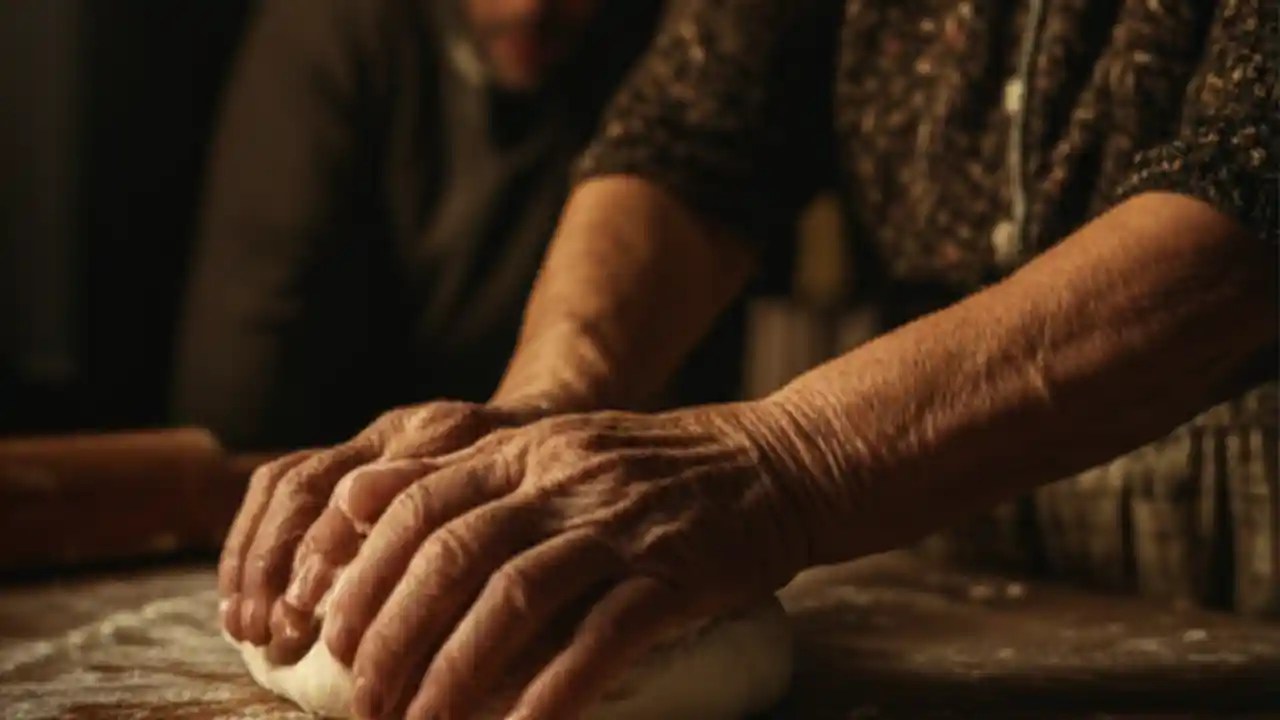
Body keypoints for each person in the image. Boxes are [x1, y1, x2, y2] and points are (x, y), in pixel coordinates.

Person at [216, 1, 1278, 718]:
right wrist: (545, 405)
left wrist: (784, 461)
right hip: (956, 505)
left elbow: (1252, 204)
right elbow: (688, 140)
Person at [173, 0, 691, 450]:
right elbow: (243, 383)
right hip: (343, 473)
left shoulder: (679, 42)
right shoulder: (331, 34)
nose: (530, 9)